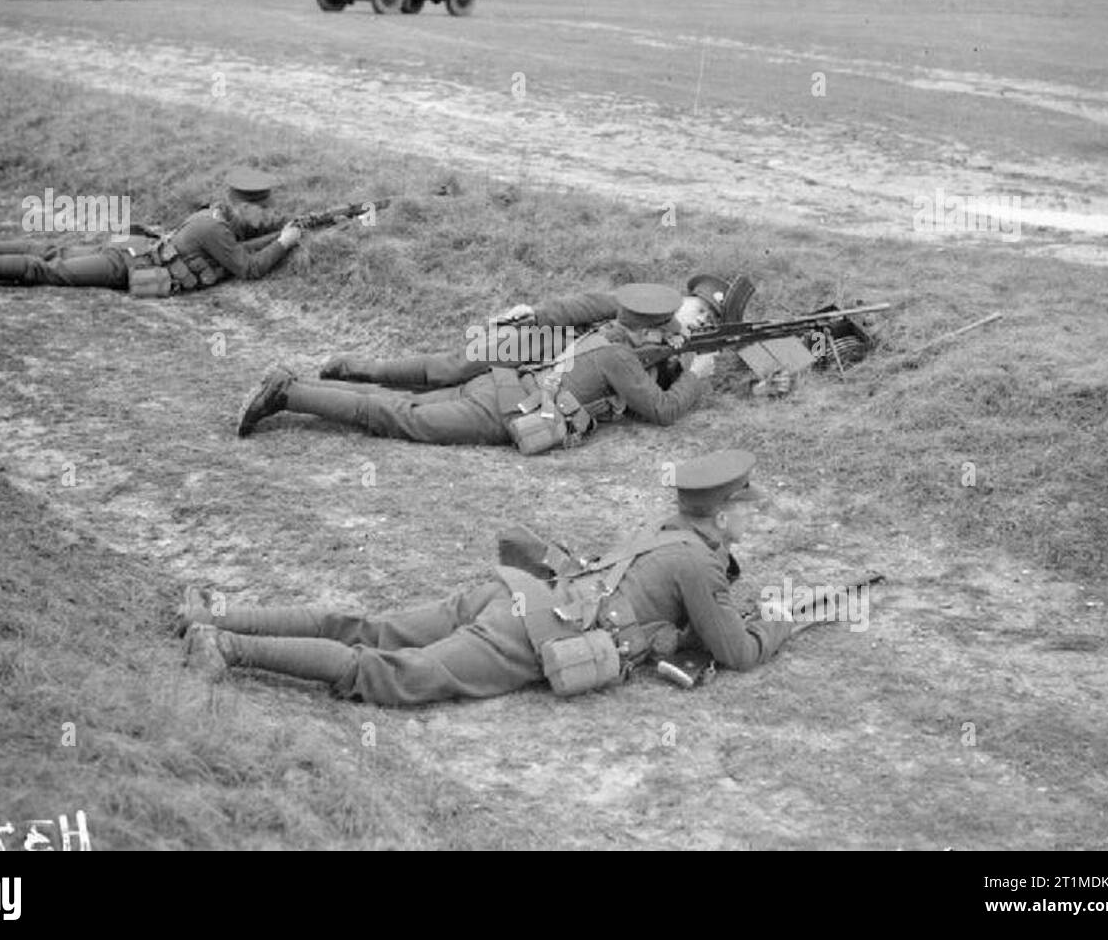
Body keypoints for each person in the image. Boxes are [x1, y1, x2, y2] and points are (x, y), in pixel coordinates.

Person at [179, 449, 811, 705]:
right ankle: (229, 646)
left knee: (367, 625)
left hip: (512, 593)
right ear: (723, 514)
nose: (756, 515)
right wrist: (779, 623)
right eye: (749, 507)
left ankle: (212, 615)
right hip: (524, 635)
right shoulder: (700, 561)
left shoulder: (666, 529)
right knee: (389, 674)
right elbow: (737, 652)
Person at [235, 283, 716, 449]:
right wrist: (696, 377)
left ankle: (294, 387)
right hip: (507, 410)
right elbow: (661, 410)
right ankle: (288, 393)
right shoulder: (620, 354)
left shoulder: (614, 336)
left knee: (400, 404)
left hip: (502, 386)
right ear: (653, 328)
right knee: (403, 419)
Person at [318, 272, 752, 391]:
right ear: (683, 298)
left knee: (459, 400)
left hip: (555, 384)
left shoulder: (686, 354)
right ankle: (361, 369)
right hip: (546, 343)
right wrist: (534, 315)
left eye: (709, 322)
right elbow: (584, 306)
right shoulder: (644, 303)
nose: (700, 321)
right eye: (698, 310)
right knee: (451, 369)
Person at [0, 201, 302, 297]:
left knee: (49, 250)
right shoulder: (216, 231)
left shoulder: (210, 220)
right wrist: (284, 243)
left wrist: (279, 236)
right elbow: (249, 268)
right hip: (125, 264)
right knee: (48, 270)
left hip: (129, 250)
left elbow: (242, 248)